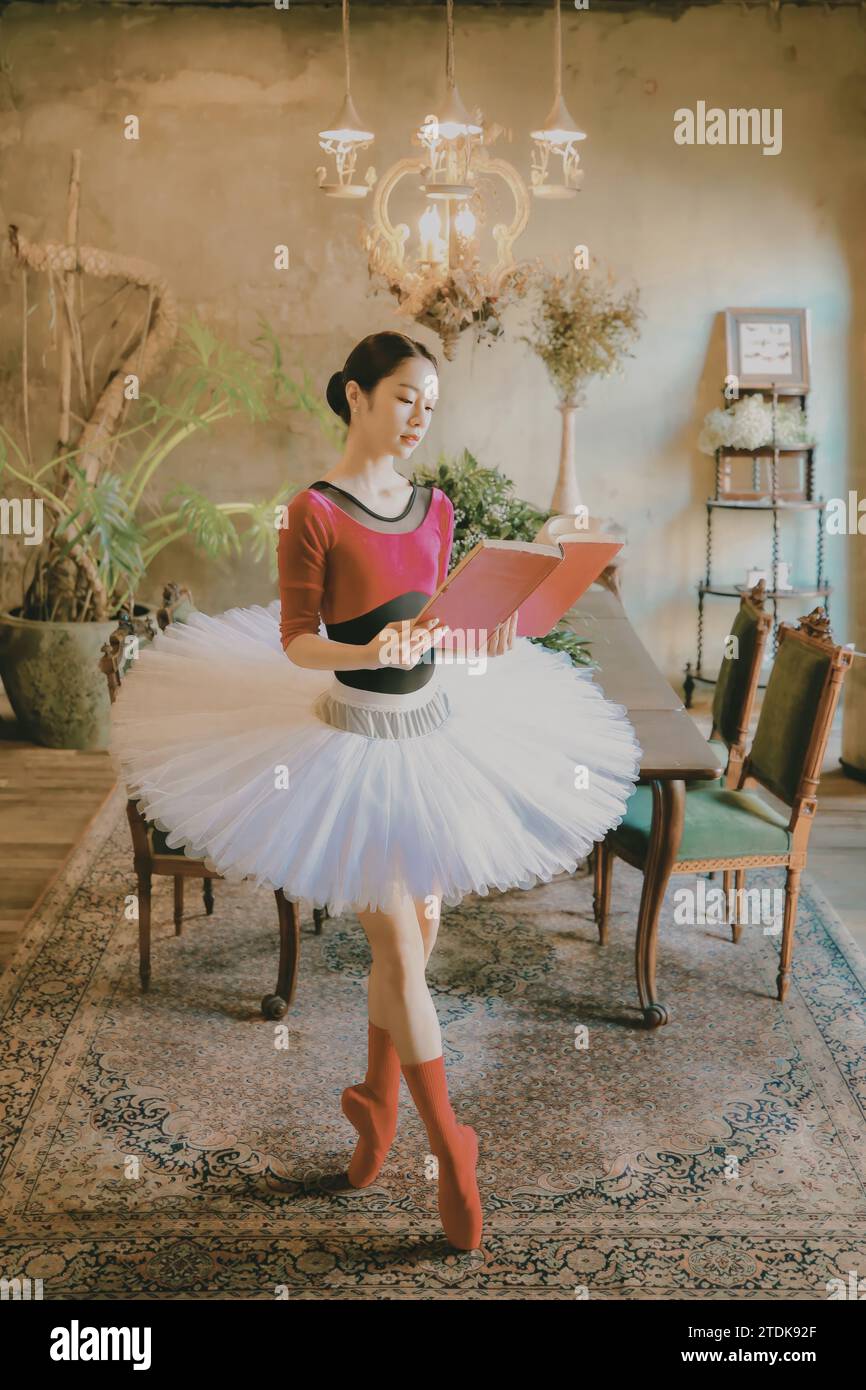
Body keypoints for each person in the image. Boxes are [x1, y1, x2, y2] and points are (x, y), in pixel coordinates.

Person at [109, 329, 642, 1253]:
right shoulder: (310, 512)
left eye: (431, 405)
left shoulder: (434, 509)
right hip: (348, 741)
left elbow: (442, 625)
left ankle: (373, 1100)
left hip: (436, 735)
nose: (418, 418)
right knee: (398, 938)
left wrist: (497, 629)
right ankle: (450, 1140)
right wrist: (369, 650)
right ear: (354, 396)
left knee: (413, 947)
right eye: (404, 398)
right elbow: (297, 640)